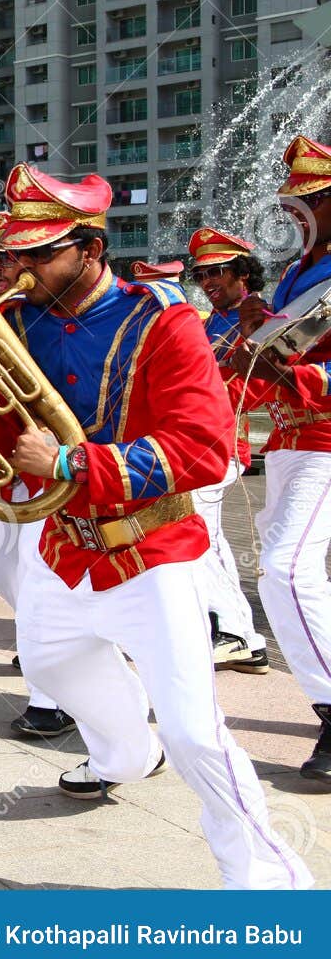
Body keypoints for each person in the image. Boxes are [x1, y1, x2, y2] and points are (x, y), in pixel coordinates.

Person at [0, 162, 309, 887]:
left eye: (38, 254)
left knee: (194, 732)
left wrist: (75, 466)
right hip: (61, 549)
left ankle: (273, 885)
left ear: (90, 247)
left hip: (154, 551)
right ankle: (123, 755)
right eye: (14, 254)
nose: (18, 269)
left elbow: (203, 450)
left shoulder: (164, 323)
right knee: (49, 665)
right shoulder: (12, 322)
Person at [233, 134, 331, 783]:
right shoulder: (301, 270)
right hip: (293, 443)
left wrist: (283, 369)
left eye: (312, 201)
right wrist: (253, 336)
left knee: (286, 570)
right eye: (294, 203)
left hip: (325, 440)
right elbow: (288, 351)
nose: (297, 213)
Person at [0, 212, 75, 739]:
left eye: (14, 257)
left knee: (38, 574)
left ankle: (52, 697)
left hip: (62, 472)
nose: (4, 269)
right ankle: (46, 645)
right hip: (12, 472)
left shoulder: (49, 319)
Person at [185, 226, 269, 674]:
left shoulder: (258, 317)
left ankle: (240, 633)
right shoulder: (207, 320)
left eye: (218, 271)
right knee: (205, 534)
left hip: (222, 442)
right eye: (201, 274)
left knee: (202, 531)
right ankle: (233, 631)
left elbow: (258, 389)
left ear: (243, 273)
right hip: (196, 442)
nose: (208, 281)